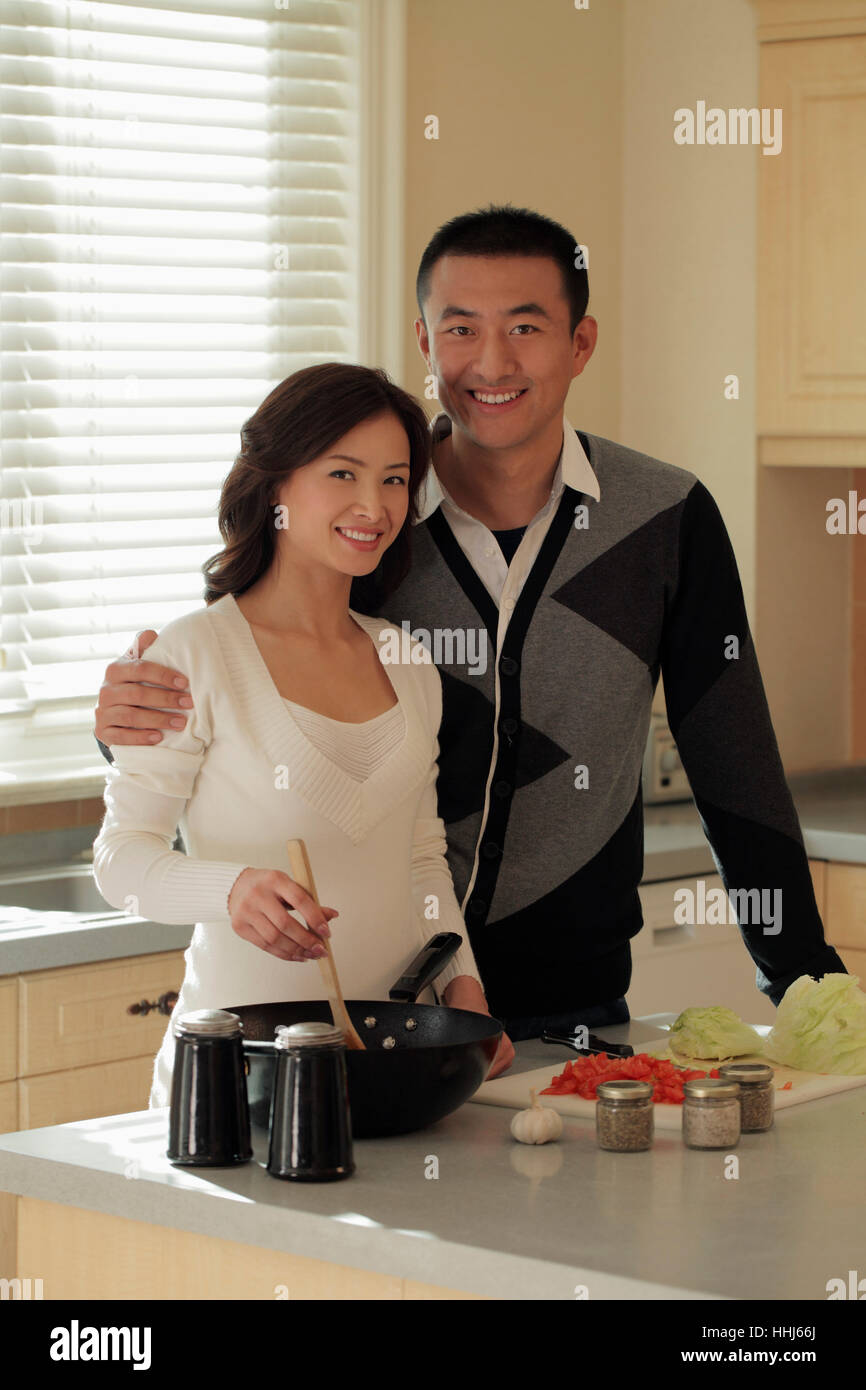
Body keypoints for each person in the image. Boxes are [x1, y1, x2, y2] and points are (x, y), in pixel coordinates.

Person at [95, 204, 847, 1043]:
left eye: (526, 327)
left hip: (575, 1001)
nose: (492, 362)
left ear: (581, 343)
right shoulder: (368, 525)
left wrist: (808, 986)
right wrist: (127, 724)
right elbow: (247, 686)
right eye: (461, 329)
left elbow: (732, 760)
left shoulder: (663, 518)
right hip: (392, 1009)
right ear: (426, 343)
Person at [92, 362, 515, 1106]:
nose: (374, 505)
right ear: (276, 484)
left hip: (391, 1067)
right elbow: (121, 863)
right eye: (343, 474)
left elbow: (421, 860)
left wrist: (464, 987)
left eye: (393, 479)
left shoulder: (406, 659)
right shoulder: (192, 656)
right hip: (236, 1079)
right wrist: (230, 890)